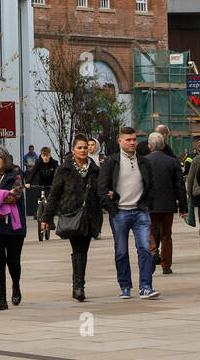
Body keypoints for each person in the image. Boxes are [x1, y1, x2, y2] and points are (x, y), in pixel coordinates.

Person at [40, 134, 102, 301]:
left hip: (89, 215)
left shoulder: (95, 169)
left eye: (85, 147)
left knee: (84, 250)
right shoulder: (64, 169)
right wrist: (46, 218)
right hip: (72, 214)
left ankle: (78, 284)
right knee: (78, 249)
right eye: (79, 147)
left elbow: (101, 191)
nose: (83, 150)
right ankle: (78, 286)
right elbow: (54, 194)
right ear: (73, 150)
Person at [99, 126, 158, 299]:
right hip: (120, 213)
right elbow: (101, 188)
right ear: (120, 141)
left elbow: (152, 186)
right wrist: (112, 209)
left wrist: (147, 205)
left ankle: (146, 286)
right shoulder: (112, 162)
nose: (132, 143)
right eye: (128, 140)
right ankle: (125, 286)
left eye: (134, 139)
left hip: (140, 211)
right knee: (121, 251)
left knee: (145, 249)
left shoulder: (144, 162)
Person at [0, 147, 26, 310]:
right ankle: (2, 299)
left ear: (5, 159)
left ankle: (16, 285)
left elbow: (14, 197)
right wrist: (0, 196)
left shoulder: (16, 176)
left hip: (14, 227)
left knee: (13, 262)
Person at [144, 131, 186, 275]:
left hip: (150, 205)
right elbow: (180, 185)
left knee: (149, 231)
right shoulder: (172, 162)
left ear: (149, 146)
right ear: (163, 146)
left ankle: (153, 249)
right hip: (168, 205)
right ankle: (166, 265)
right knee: (167, 235)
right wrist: (183, 207)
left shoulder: (143, 161)